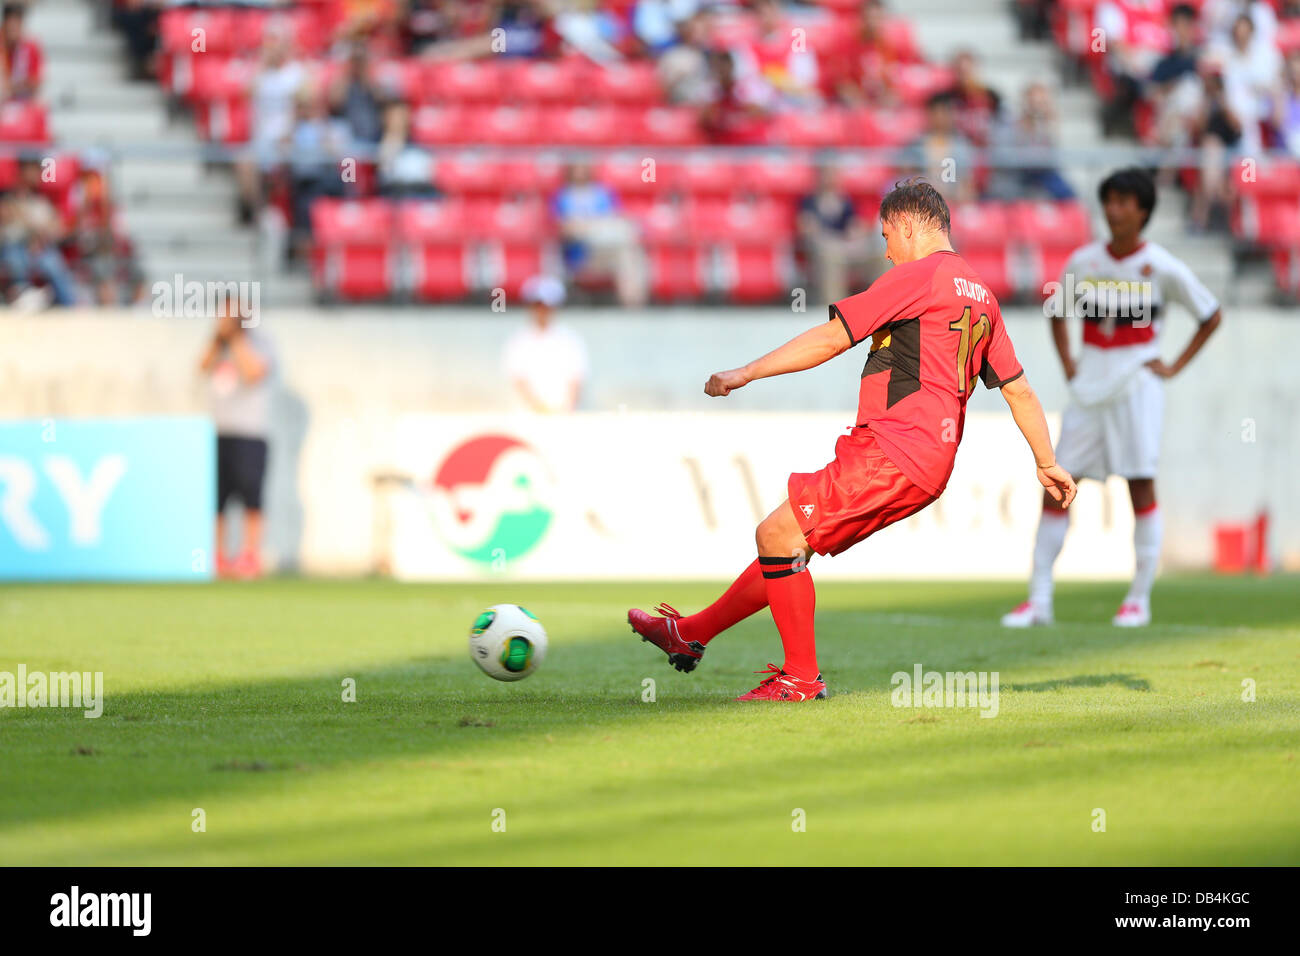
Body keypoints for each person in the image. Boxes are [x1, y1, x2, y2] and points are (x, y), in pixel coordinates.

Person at [628, 179, 1077, 702]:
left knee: (777, 536)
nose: (886, 249)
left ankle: (801, 678)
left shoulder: (920, 277)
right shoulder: (982, 296)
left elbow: (829, 339)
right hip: (924, 460)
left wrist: (745, 373)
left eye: (887, 234)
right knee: (791, 544)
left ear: (910, 225)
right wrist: (1046, 461)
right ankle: (692, 633)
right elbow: (1017, 388)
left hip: (894, 451)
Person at [1002, 168, 1221, 630]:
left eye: (1124, 201)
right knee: (1059, 484)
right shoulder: (1084, 261)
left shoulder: (1160, 266)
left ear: (1143, 211)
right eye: (1110, 200)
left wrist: (1174, 365)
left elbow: (1210, 313)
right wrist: (1069, 363)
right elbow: (1057, 312)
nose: (1115, 209)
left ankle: (1138, 600)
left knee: (1139, 484)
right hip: (1090, 387)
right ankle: (1039, 600)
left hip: (1138, 386)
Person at [199, 299, 276, 579]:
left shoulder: (260, 341)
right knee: (216, 499)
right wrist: (220, 340)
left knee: (251, 498)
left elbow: (253, 372)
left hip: (250, 433)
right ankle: (218, 556)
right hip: (220, 431)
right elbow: (202, 367)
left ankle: (249, 556)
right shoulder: (218, 344)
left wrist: (237, 338)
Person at [797, 163, 884, 304]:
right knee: (831, 256)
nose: (830, 178)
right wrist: (835, 241)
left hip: (846, 247)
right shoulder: (809, 202)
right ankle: (836, 310)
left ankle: (881, 305)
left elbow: (855, 227)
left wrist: (856, 234)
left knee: (881, 256)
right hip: (825, 250)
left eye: (833, 174)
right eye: (827, 174)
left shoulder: (846, 201)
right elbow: (808, 229)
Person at [502, 275, 589, 413]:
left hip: (565, 415)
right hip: (528, 418)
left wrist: (565, 409)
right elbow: (519, 381)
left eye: (547, 306)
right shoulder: (518, 341)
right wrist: (541, 410)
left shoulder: (570, 340)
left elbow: (576, 381)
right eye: (538, 305)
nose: (542, 311)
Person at [1, 2, 41, 100]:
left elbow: (35, 84)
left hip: (21, 102)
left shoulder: (30, 47)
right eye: (10, 27)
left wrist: (11, 87)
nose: (13, 31)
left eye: (16, 26)